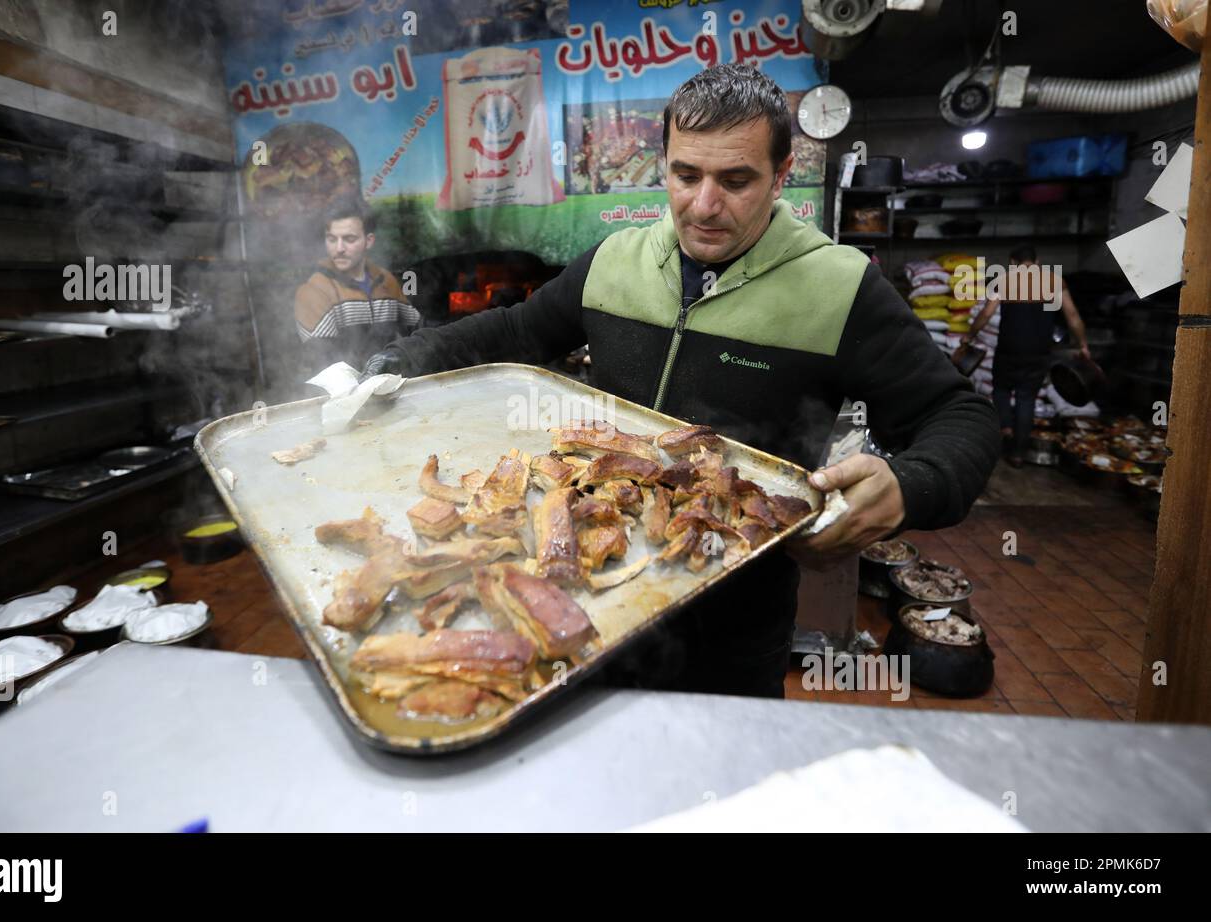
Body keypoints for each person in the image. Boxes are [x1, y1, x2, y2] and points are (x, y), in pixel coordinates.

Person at [365, 64, 1000, 697]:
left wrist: (912, 486)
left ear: (782, 177)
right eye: (685, 175)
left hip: (733, 622)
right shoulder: (614, 262)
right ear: (663, 163)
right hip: (596, 593)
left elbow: (958, 416)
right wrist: (392, 364)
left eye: (736, 181)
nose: (703, 206)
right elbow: (513, 332)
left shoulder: (841, 289)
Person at [964, 244, 1090, 467]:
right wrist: (1083, 344)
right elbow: (1072, 316)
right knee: (1026, 398)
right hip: (1039, 352)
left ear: (1012, 262)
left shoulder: (1005, 281)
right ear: (1037, 261)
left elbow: (986, 314)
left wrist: (970, 336)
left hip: (1008, 350)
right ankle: (1018, 454)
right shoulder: (1053, 281)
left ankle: (1006, 427)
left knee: (1001, 390)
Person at [294, 197, 421, 372]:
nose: (339, 248)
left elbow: (417, 331)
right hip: (343, 395)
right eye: (332, 239)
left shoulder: (386, 280)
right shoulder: (313, 292)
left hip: (391, 386)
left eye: (349, 239)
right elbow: (324, 365)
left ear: (369, 241)